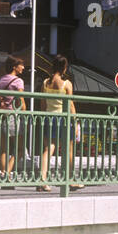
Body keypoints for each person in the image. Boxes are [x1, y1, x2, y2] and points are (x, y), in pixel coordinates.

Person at [37, 54, 82, 191]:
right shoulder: (66, 84)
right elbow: (71, 105)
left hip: (48, 118)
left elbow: (42, 104)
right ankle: (69, 180)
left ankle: (42, 180)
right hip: (63, 119)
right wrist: (75, 122)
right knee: (68, 150)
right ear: (64, 68)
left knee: (48, 149)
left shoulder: (45, 83)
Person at [0, 55, 26, 179]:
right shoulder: (18, 81)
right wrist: (25, 112)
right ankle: (7, 172)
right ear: (15, 67)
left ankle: (3, 173)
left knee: (3, 149)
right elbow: (21, 101)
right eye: (21, 65)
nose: (23, 67)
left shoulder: (2, 79)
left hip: (2, 115)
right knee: (20, 149)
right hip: (14, 115)